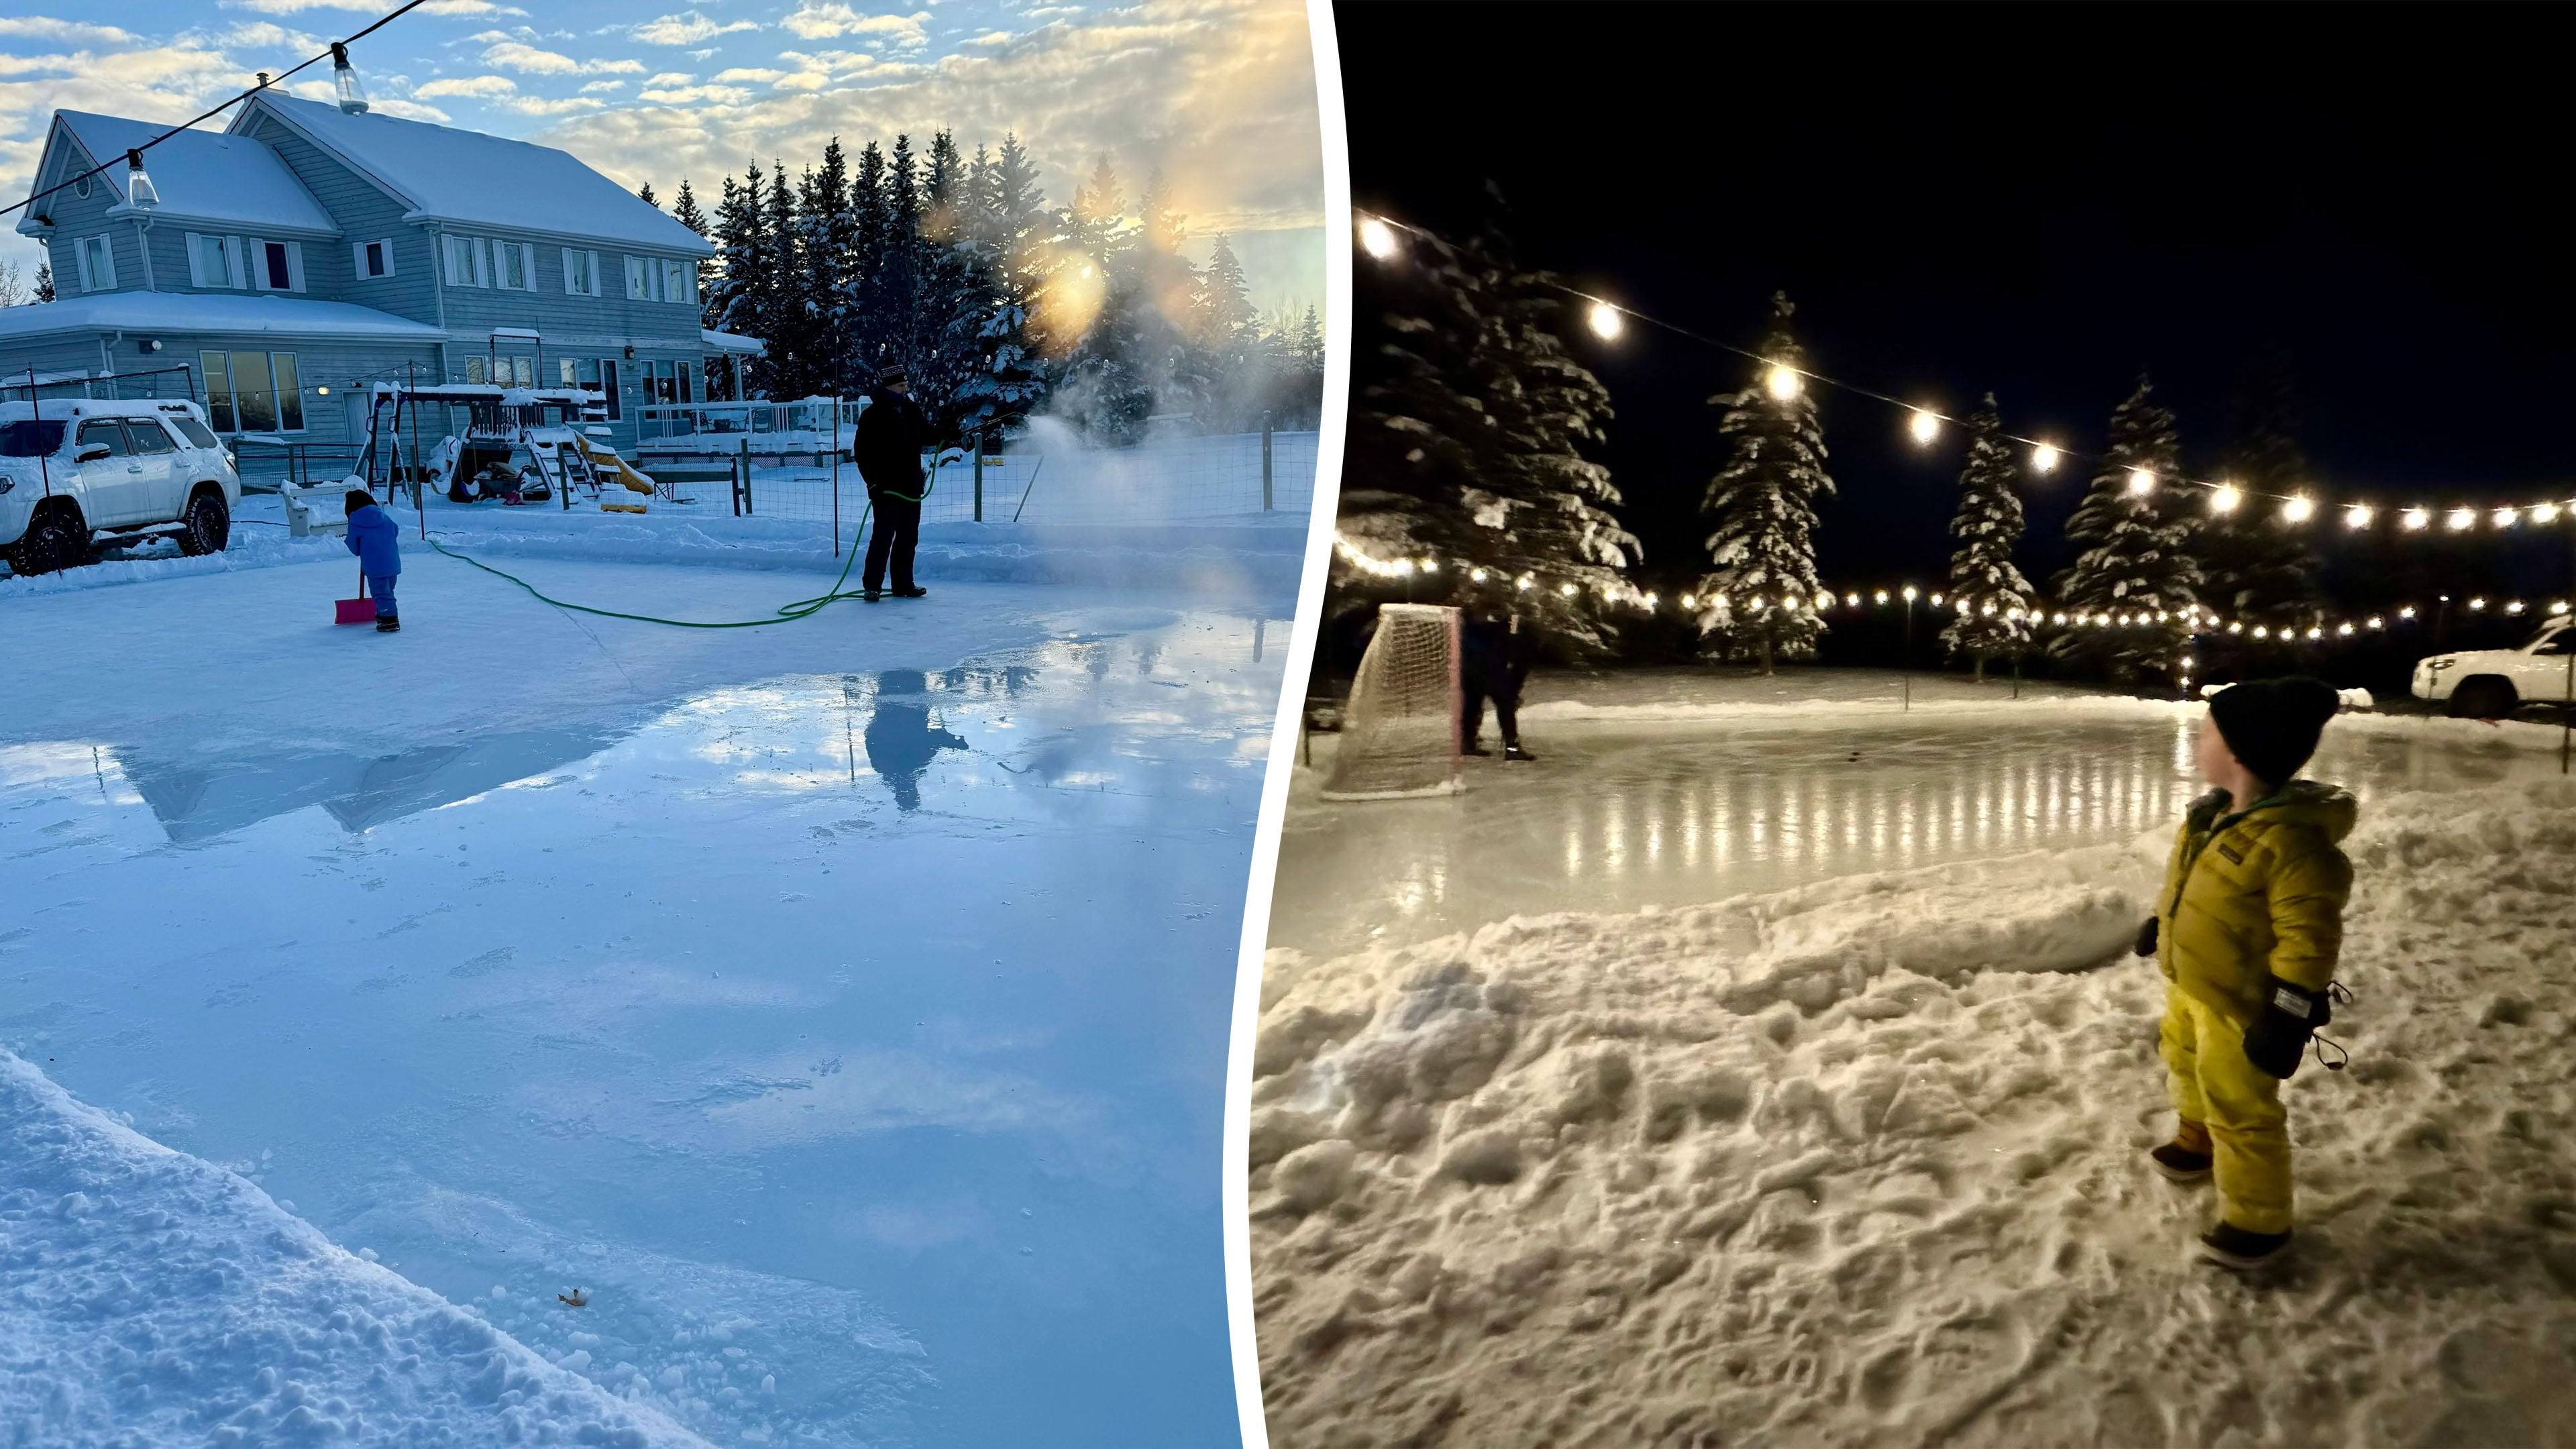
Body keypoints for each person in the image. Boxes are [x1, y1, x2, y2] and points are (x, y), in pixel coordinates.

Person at [2139, 676, 2352, 1269]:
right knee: (2182, 1057)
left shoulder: (2293, 845)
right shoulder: (2208, 818)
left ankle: (2260, 1220)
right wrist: (2161, 924)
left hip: (2239, 1001)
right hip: (2191, 980)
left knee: (2241, 1102)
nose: (2197, 743)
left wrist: (2288, 1011)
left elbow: (2309, 938)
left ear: (2238, 753)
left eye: (2206, 734)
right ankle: (2196, 1137)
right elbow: (2185, 888)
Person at [854, 368, 937, 601]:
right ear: (888, 386)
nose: (905, 388)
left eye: (905, 385)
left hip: (911, 485)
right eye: (901, 385)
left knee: (908, 537)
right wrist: (872, 483)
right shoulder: (872, 415)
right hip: (886, 488)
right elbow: (862, 453)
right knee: (882, 537)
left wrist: (947, 431)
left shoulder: (911, 410)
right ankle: (872, 586)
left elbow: (928, 435)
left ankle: (903, 584)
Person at [1460, 595, 1538, 761]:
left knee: (1473, 706)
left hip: (1472, 669)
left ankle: (1468, 742)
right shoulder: (1496, 628)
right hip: (1490, 670)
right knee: (1504, 706)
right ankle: (1511, 747)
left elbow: (1512, 642)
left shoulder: (1469, 626)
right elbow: (1511, 643)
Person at [343, 488, 402, 633]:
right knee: (388, 591)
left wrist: (361, 547)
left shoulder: (356, 523)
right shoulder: (385, 518)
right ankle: (383, 613)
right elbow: (395, 530)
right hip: (392, 563)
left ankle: (389, 619)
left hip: (375, 567)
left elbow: (354, 547)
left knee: (380, 592)